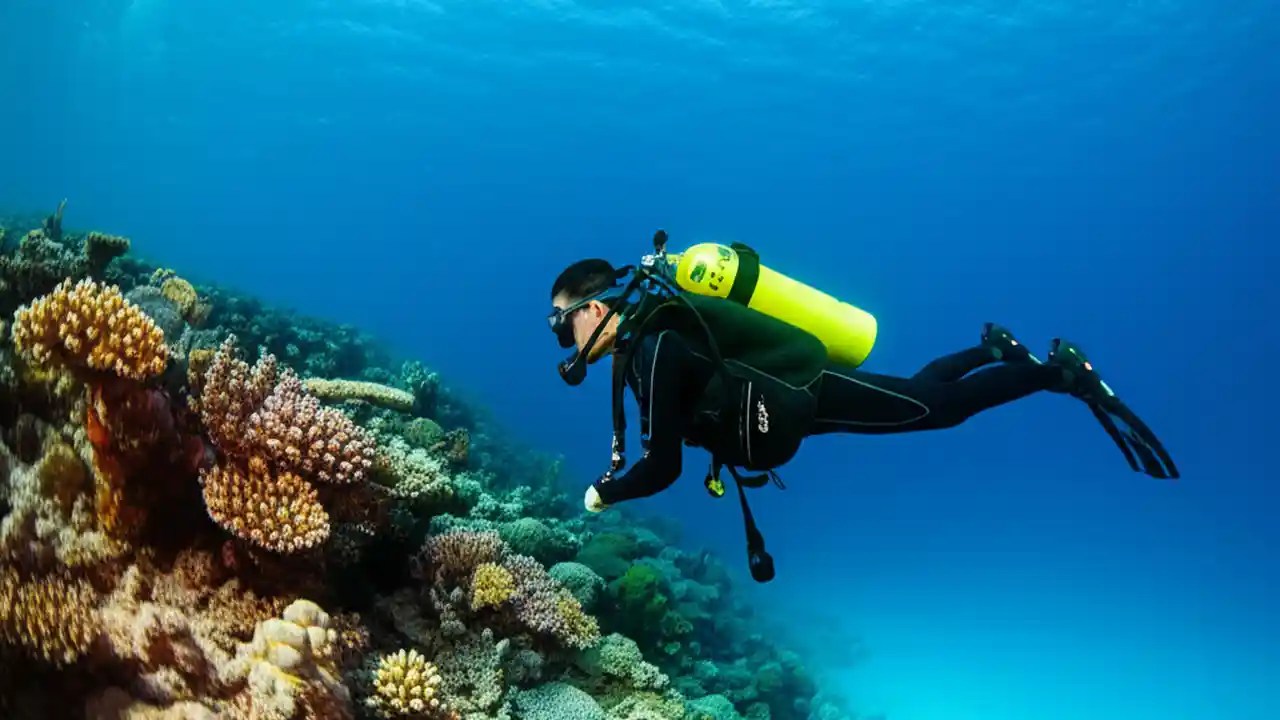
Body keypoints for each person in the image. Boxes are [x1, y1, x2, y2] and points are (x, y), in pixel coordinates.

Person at [547, 251, 1178, 581]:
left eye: (562, 325)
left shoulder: (652, 348)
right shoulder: (645, 348)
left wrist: (605, 492)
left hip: (800, 394)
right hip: (786, 401)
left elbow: (661, 466)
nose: (564, 342)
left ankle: (1059, 373)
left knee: (938, 410)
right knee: (916, 399)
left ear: (595, 310)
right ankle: (991, 351)